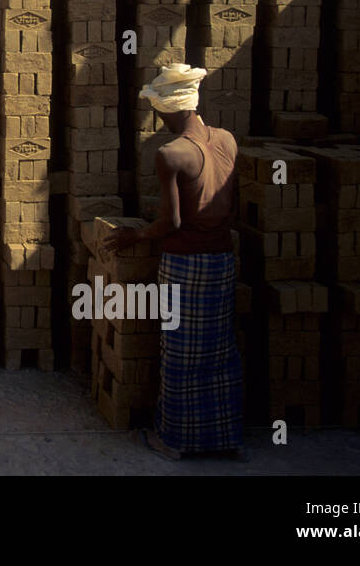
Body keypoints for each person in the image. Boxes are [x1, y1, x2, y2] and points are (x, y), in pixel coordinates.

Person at [101, 64, 245, 461]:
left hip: (185, 262)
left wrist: (135, 235)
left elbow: (172, 221)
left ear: (171, 110)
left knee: (180, 354)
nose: (157, 119)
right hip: (223, 259)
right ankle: (226, 438)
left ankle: (175, 440)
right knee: (219, 353)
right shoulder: (228, 141)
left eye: (159, 111)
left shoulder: (171, 154)